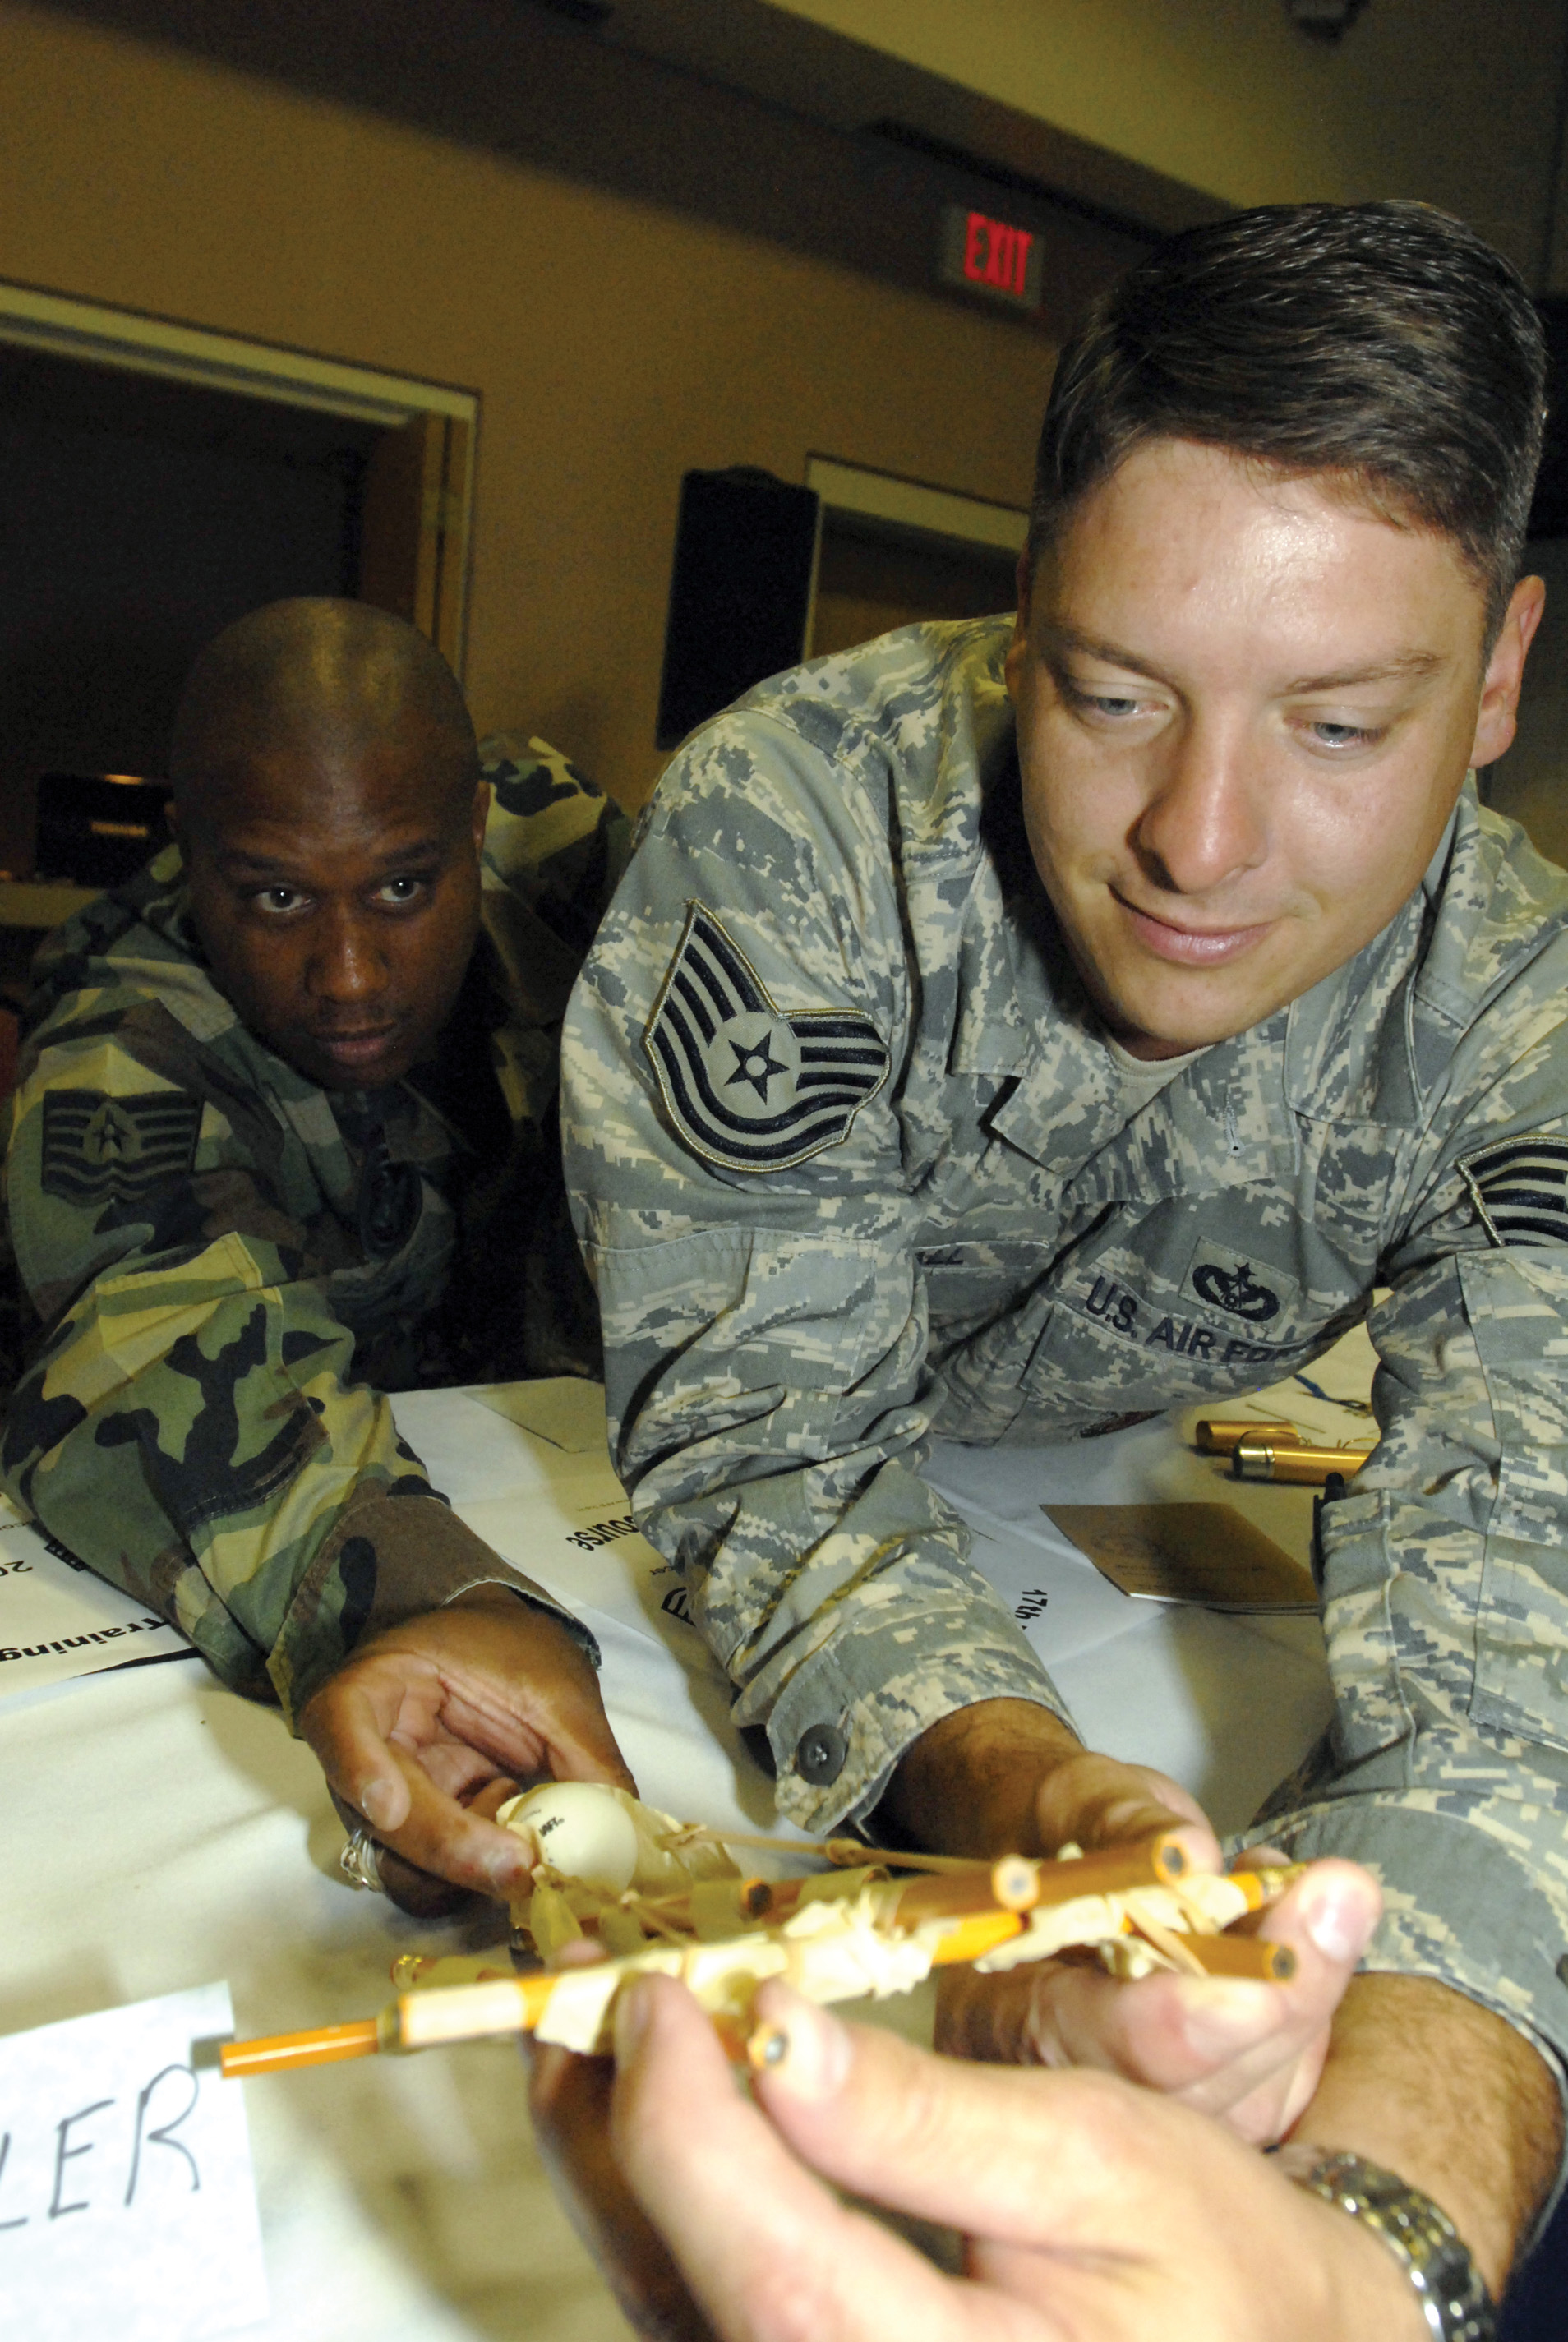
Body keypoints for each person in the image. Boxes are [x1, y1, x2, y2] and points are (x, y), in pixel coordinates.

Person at [559, 202, 1568, 2322]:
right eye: (1112, 692)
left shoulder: (1525, 1019)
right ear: (1023, 623)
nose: (1198, 841)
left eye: (1337, 728)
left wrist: (1362, 2254)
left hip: (1081, 1494)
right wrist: (1026, 1804)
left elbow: (1529, 1652)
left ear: (1497, 681)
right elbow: (769, 1444)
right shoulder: (801, 830)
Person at [2, 597, 635, 1906]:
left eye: (406, 886)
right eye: (278, 896)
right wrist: (431, 1613)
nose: (349, 975)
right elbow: (167, 1355)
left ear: (471, 830)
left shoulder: (546, 825)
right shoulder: (120, 1057)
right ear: (189, 855)